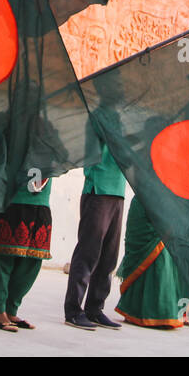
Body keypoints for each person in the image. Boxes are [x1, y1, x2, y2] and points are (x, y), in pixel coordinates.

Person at [64, 139, 126, 331]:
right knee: (88, 254)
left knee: (109, 257)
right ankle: (73, 311)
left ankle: (95, 309)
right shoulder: (98, 118)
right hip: (98, 189)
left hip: (117, 192)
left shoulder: (124, 125)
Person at [0, 177, 53, 332]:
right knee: (3, 258)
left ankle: (11, 310)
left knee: (32, 261)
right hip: (10, 196)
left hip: (40, 199)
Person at [115, 195, 186, 329]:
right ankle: (138, 312)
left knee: (163, 258)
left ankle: (163, 314)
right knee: (153, 255)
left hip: (163, 202)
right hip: (145, 203)